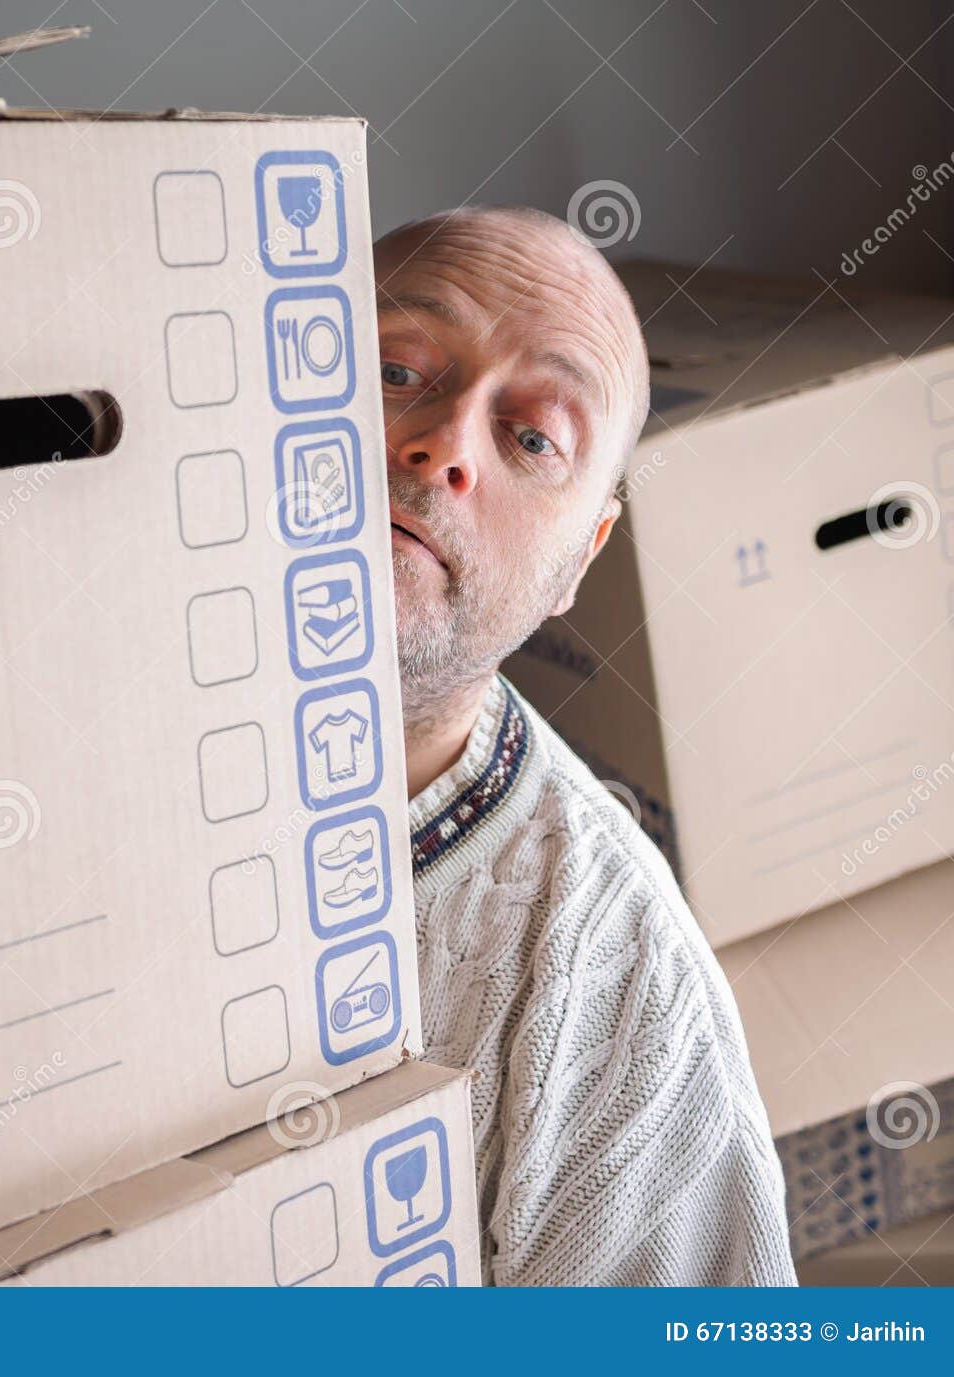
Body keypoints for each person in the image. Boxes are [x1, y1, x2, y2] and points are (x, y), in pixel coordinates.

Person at [376, 205, 795, 1286]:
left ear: (577, 564)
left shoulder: (626, 1011)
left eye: (529, 439)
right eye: (393, 368)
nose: (442, 444)